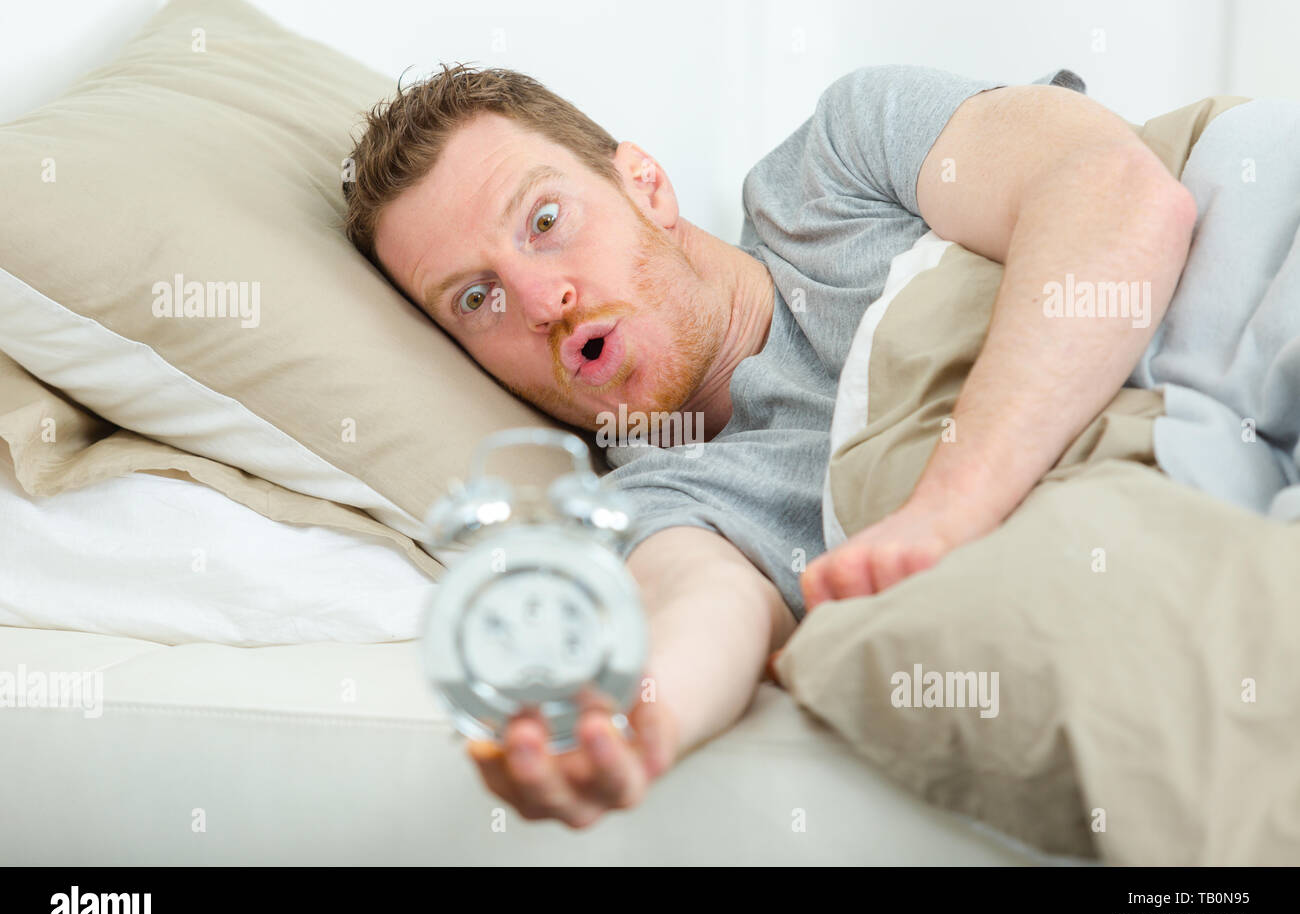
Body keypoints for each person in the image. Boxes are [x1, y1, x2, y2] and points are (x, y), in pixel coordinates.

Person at [342, 62, 1196, 827]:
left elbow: (1116, 188)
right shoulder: (655, 495)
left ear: (645, 185)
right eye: (476, 300)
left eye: (546, 219)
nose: (539, 298)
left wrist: (949, 508)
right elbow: (705, 606)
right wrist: (634, 725)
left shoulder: (836, 165)